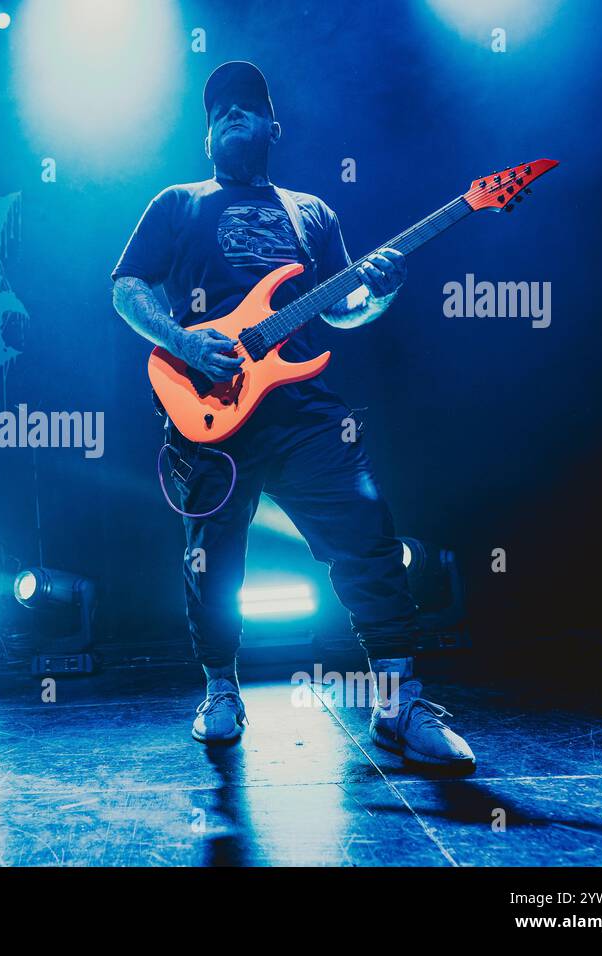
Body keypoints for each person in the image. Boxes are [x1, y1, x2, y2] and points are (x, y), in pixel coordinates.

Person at [110, 61, 473, 768]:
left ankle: (399, 703)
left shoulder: (312, 211)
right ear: (207, 136)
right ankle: (221, 689)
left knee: (367, 536)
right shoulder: (177, 203)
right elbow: (126, 288)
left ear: (275, 126)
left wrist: (383, 291)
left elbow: (343, 309)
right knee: (213, 561)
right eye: (221, 111)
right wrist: (185, 340)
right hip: (211, 407)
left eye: (251, 106)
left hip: (305, 410)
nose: (236, 115)